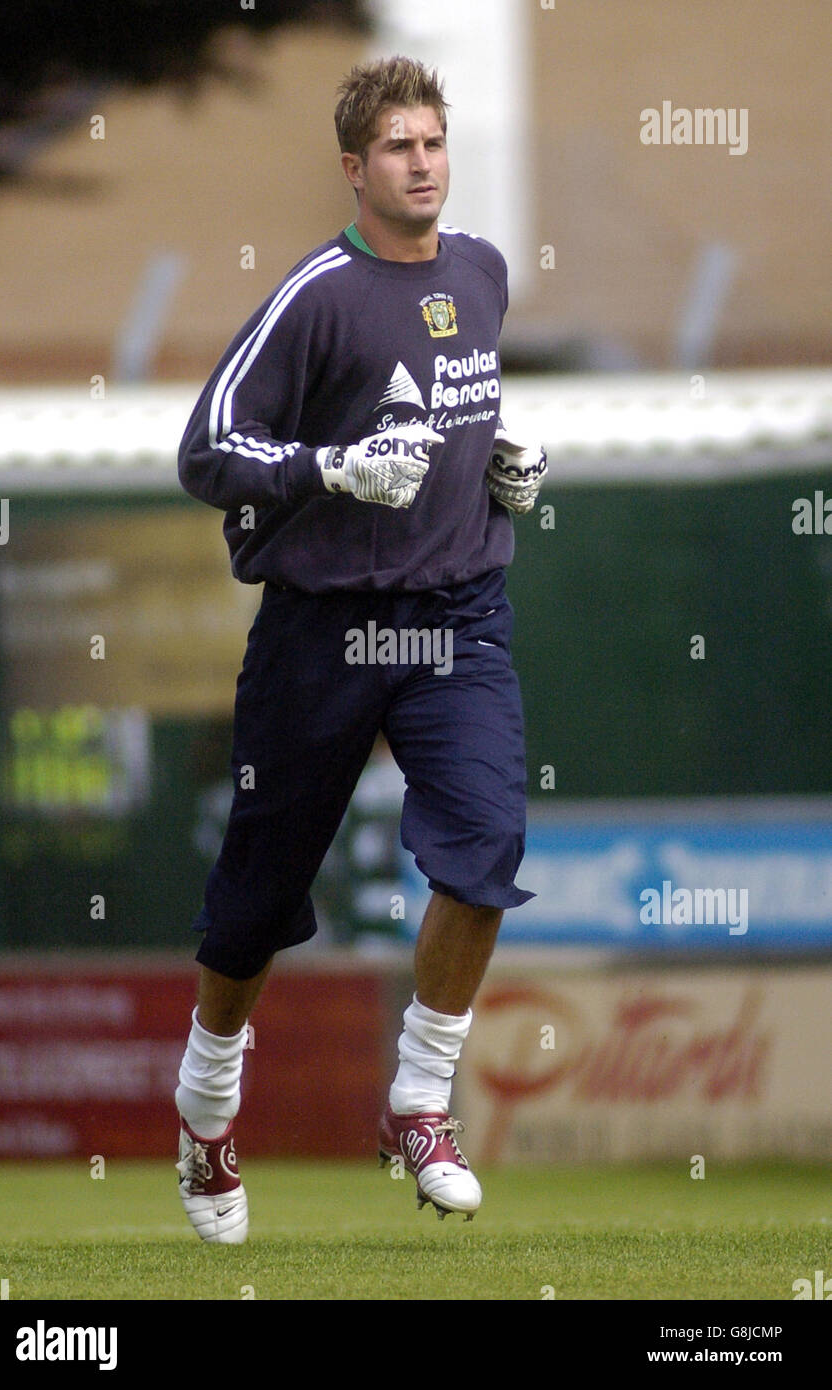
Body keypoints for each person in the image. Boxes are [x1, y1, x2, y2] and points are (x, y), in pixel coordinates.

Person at [174, 54, 546, 1243]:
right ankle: (206, 1107)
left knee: (485, 846)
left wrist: (503, 468)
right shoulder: (316, 293)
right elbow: (205, 449)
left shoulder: (482, 272)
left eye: (432, 141)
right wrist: (327, 467)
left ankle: (421, 1104)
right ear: (354, 166)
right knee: (256, 901)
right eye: (397, 145)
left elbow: (454, 412)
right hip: (323, 625)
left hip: (456, 619)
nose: (422, 162)